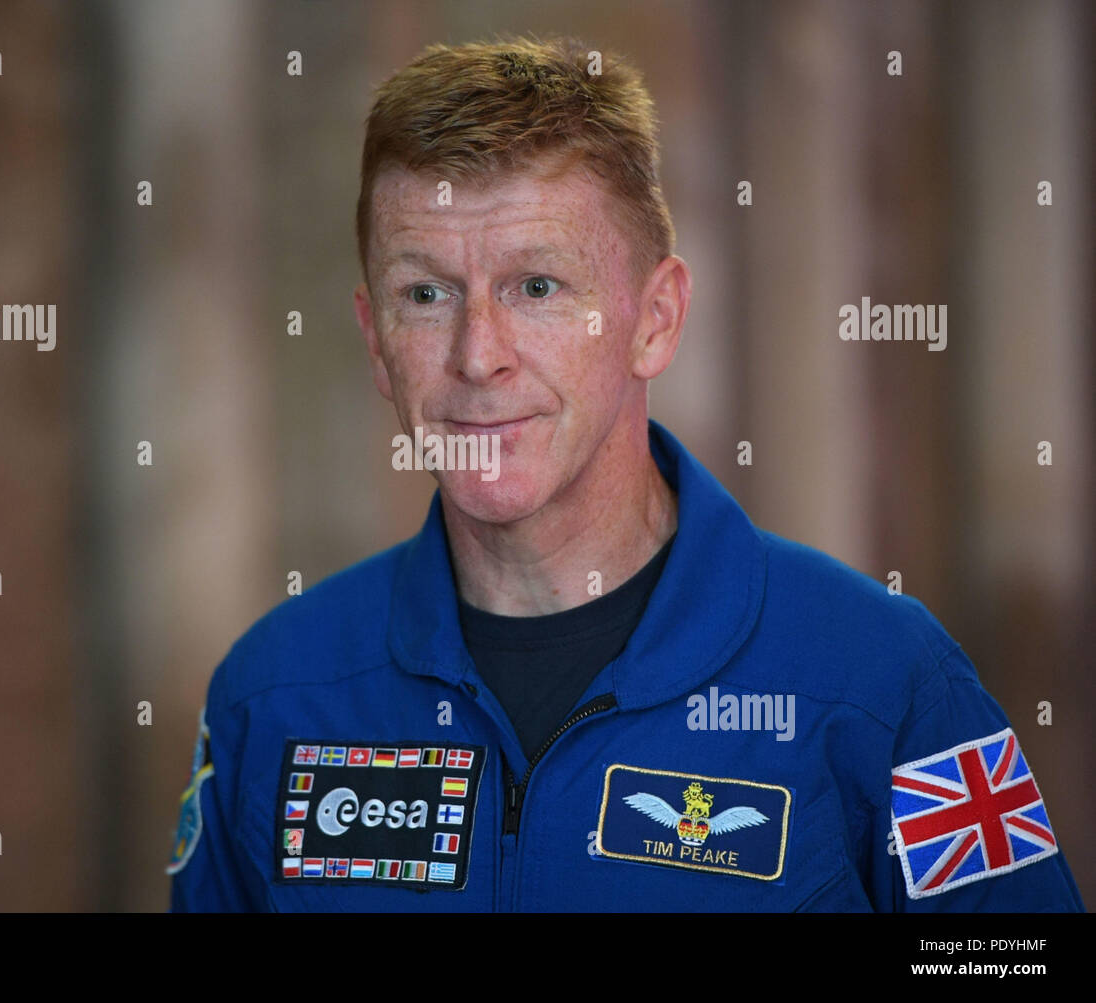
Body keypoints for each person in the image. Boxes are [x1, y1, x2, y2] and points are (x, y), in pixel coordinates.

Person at [167, 36, 1084, 911]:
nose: (477, 356)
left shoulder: (884, 686)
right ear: (375, 341)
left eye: (537, 286)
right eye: (426, 293)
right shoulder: (274, 696)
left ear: (655, 320)